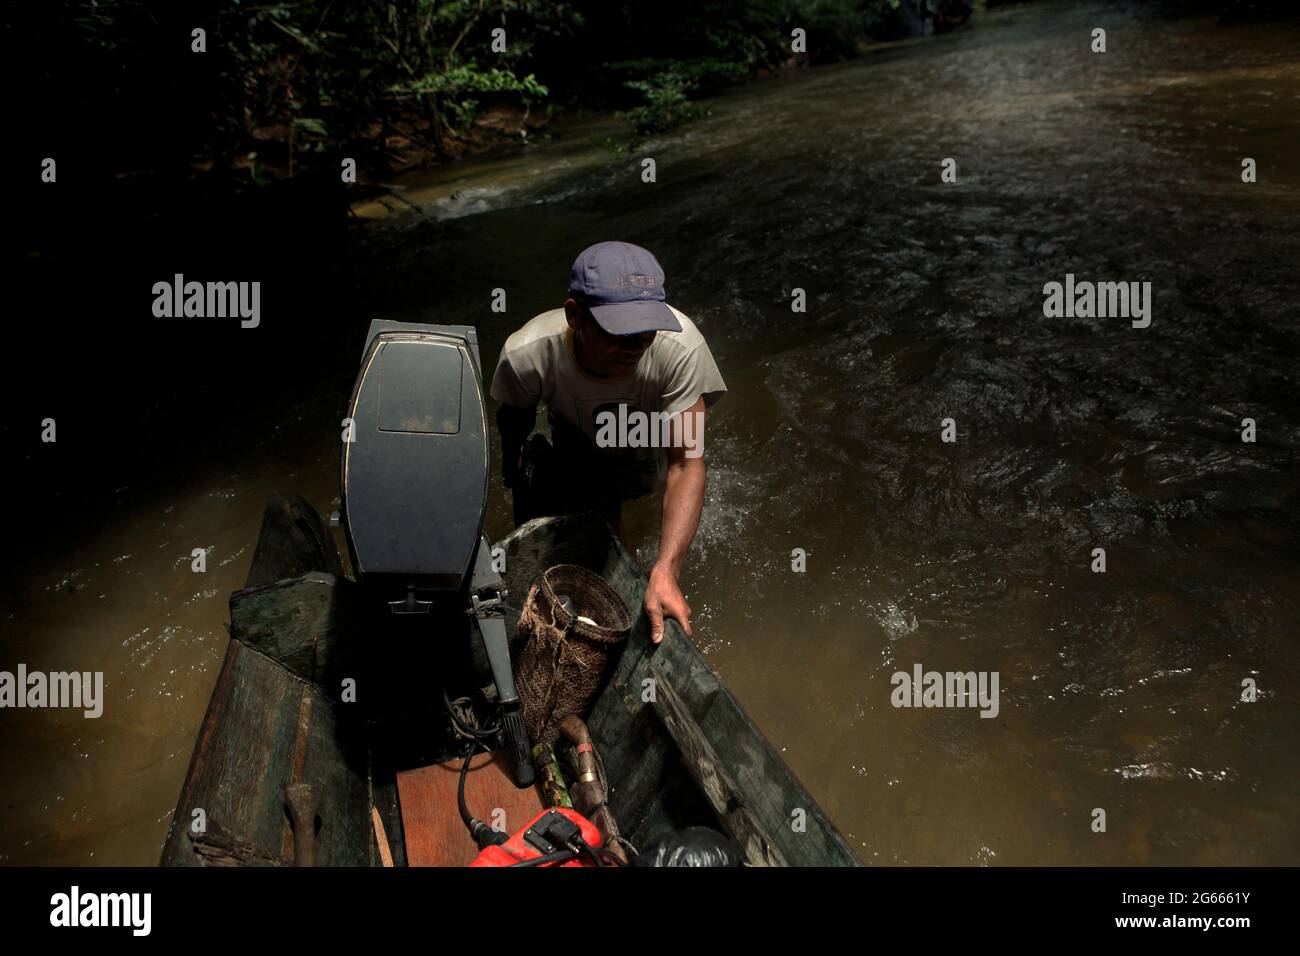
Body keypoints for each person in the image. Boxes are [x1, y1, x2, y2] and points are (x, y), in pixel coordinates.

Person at [490, 241, 726, 644]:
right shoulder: (528, 355)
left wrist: (666, 569)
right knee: (586, 494)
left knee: (639, 483)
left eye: (646, 330)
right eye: (621, 332)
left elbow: (686, 464)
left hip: (646, 431)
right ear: (574, 315)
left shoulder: (679, 350)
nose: (636, 345)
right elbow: (513, 423)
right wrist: (516, 480)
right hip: (575, 434)